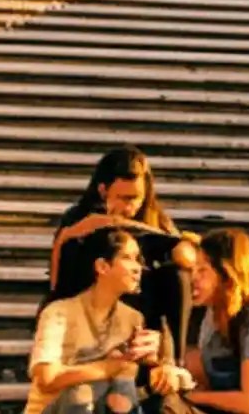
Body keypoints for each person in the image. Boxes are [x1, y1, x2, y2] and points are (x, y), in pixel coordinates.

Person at [47, 145, 197, 361]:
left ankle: (176, 362)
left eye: (137, 198)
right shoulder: (80, 217)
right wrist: (70, 235)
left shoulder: (154, 218)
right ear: (102, 190)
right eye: (123, 198)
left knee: (178, 276)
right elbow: (56, 285)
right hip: (94, 307)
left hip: (141, 310)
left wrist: (181, 249)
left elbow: (187, 258)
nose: (130, 207)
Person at [150, 228, 249, 414]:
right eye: (193, 270)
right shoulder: (211, 315)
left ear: (227, 275)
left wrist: (193, 397)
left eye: (203, 271)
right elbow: (204, 380)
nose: (193, 279)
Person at [27, 227, 164, 414]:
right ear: (102, 267)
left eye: (137, 259)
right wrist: (108, 368)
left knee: (123, 390)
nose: (137, 268)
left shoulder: (132, 318)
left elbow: (124, 387)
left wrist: (156, 361)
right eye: (127, 258)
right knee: (79, 393)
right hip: (55, 408)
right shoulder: (59, 312)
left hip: (104, 405)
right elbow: (47, 378)